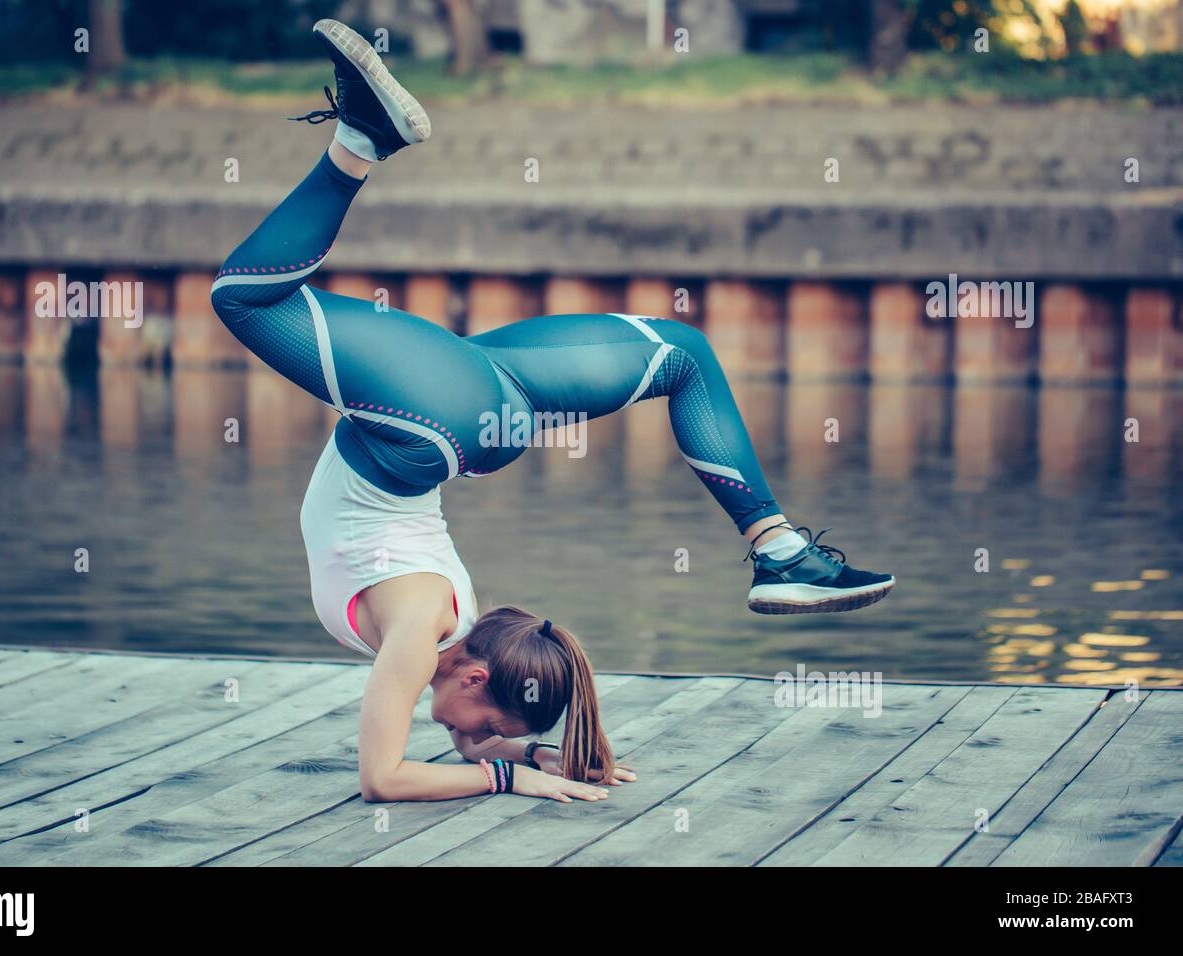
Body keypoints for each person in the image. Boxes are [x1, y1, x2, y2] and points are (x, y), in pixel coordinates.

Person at [210, 20, 894, 803]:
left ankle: (779, 549)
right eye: (484, 726)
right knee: (245, 298)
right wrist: (516, 771)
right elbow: (382, 779)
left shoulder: (453, 627)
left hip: (485, 408)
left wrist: (526, 761)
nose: (466, 740)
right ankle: (780, 554)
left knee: (683, 356)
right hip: (435, 423)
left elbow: (384, 775)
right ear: (475, 672)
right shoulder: (419, 634)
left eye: (483, 740)